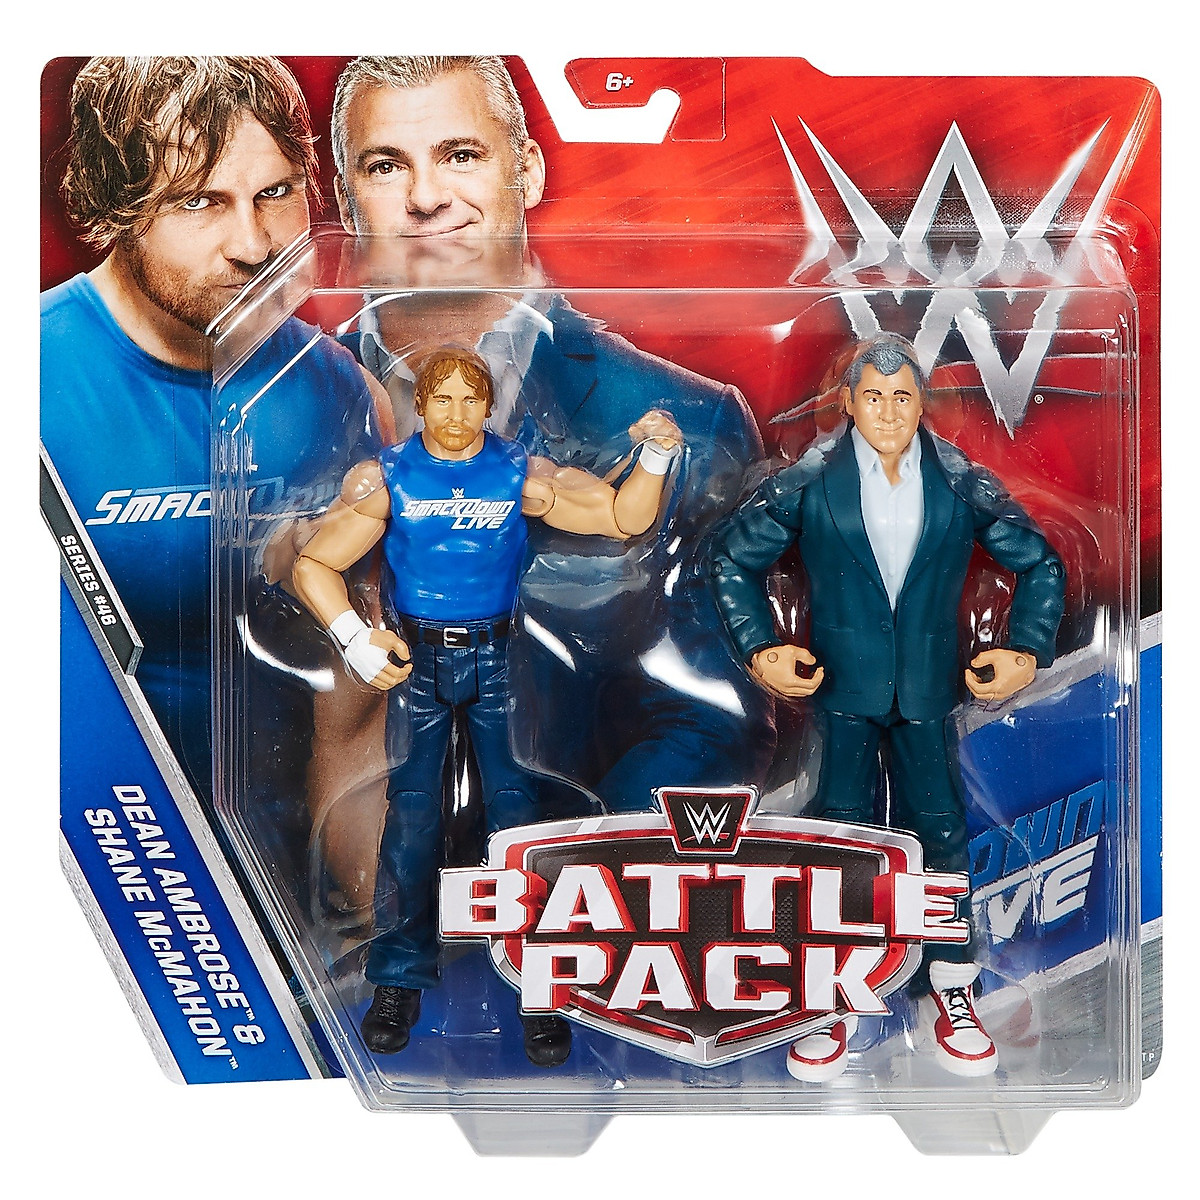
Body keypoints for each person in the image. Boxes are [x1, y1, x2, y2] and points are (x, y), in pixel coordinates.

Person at [328, 55, 774, 814]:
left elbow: (713, 719)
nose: (427, 198)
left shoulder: (688, 422)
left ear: (527, 172)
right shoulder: (289, 405)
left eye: (460, 155)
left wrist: (563, 866)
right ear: (345, 201)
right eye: (386, 166)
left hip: (575, 859)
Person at [40, 57, 389, 873]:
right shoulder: (30, 374)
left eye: (275, 193)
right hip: (82, 860)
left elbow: (357, 708)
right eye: (199, 201)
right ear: (120, 206)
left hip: (274, 883)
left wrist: (360, 923)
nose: (254, 245)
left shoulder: (337, 388)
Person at [291, 348, 684, 1065]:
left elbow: (622, 517)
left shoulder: (518, 473)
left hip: (496, 656)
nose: (456, 414)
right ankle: (397, 980)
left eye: (470, 399)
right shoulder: (388, 478)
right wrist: (354, 637)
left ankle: (542, 986)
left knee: (519, 820)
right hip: (416, 661)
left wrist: (655, 457)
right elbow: (314, 563)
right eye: (441, 399)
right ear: (420, 404)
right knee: (411, 821)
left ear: (488, 405)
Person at [709, 335, 1066, 1080]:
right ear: (848, 401)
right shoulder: (813, 478)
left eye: (903, 396)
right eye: (873, 396)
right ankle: (833, 991)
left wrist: (1024, 649)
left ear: (922, 402)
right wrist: (761, 647)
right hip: (841, 690)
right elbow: (734, 557)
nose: (889, 412)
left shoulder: (958, 479)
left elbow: (1039, 561)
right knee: (839, 835)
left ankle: (950, 986)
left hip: (931, 691)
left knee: (941, 834)